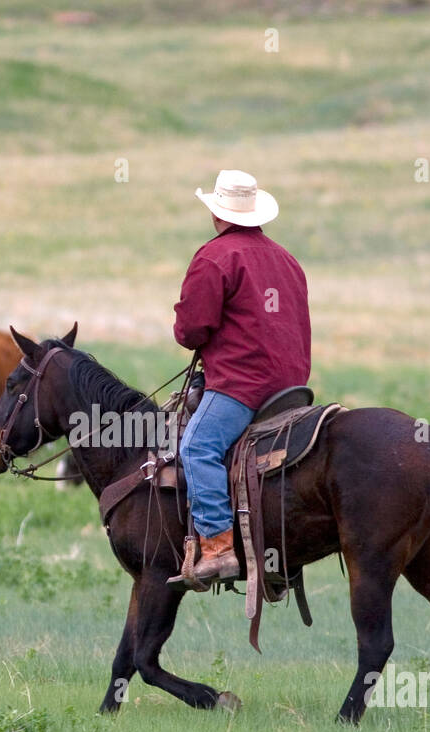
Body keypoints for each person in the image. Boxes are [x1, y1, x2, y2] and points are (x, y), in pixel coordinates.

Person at [168, 169, 312, 589]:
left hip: (242, 386)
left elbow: (190, 331)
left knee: (196, 447)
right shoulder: (287, 259)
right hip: (291, 389)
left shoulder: (214, 257)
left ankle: (216, 547)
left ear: (217, 214)